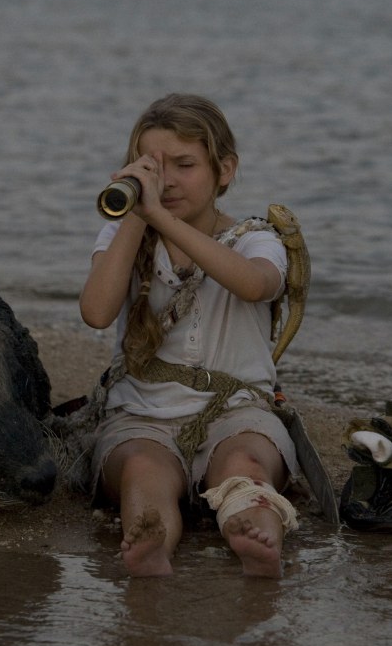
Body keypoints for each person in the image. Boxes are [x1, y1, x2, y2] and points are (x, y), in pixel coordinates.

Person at [79, 94, 302, 578]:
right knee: (143, 469)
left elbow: (253, 282)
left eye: (185, 165)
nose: (169, 181)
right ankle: (150, 541)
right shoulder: (124, 235)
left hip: (237, 412)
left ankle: (257, 537)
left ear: (225, 170)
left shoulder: (254, 237)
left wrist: (161, 217)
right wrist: (139, 217)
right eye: (153, 167)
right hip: (142, 414)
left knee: (244, 465)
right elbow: (96, 312)